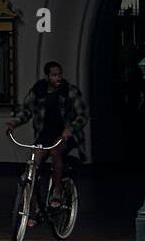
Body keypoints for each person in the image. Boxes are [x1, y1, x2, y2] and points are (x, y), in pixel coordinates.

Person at [5, 61, 88, 206]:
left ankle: (57, 191)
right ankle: (35, 206)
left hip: (64, 134)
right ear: (47, 76)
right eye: (54, 75)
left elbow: (82, 114)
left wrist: (71, 128)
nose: (58, 78)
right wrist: (13, 123)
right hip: (44, 134)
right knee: (34, 164)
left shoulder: (69, 91)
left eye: (59, 74)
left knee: (56, 152)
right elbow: (26, 111)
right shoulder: (38, 91)